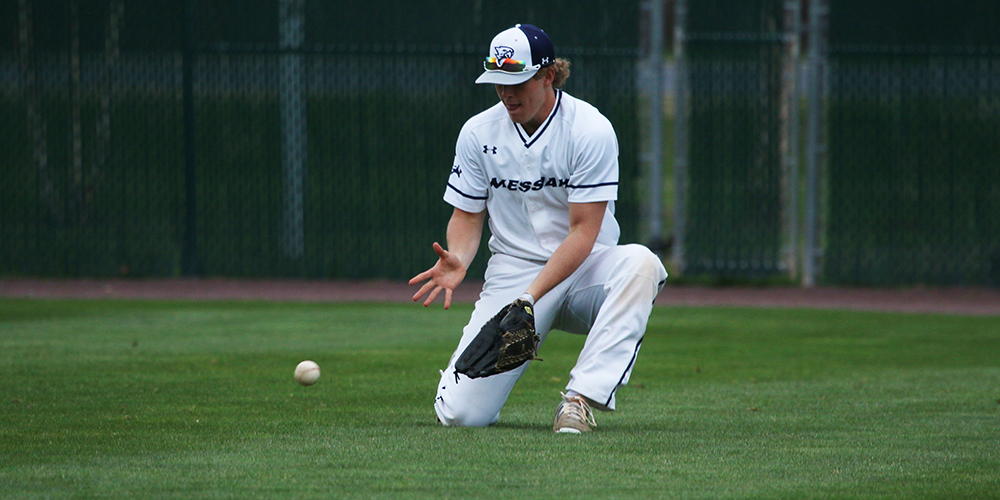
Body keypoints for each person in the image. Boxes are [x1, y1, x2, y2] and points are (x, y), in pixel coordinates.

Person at [409, 24, 667, 433]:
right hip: (513, 272)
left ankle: (579, 399)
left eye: (518, 81)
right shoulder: (478, 133)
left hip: (587, 269)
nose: (507, 93)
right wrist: (459, 257)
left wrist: (529, 299)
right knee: (461, 416)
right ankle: (460, 391)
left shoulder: (589, 129)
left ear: (548, 75)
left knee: (641, 264)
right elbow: (468, 214)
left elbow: (583, 232)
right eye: (498, 82)